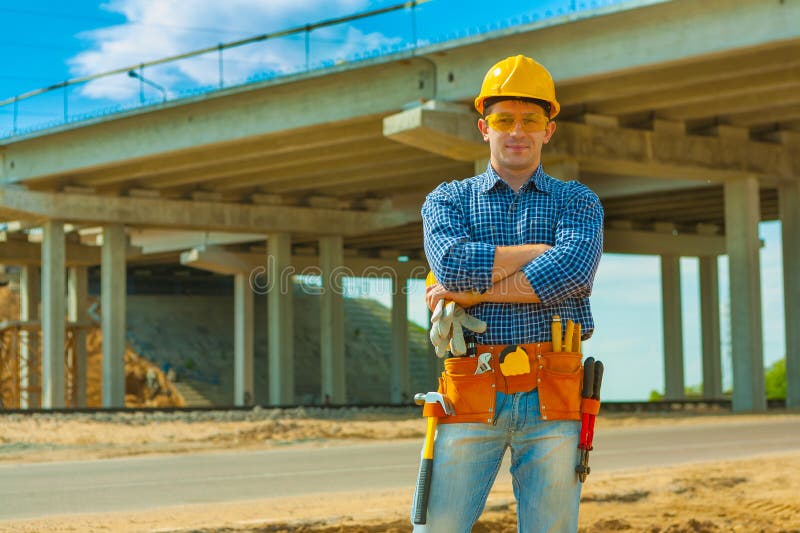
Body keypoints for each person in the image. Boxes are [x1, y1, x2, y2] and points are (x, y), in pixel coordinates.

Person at [414, 55, 604, 532]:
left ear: (549, 129)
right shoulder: (447, 199)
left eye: (530, 119)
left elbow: (574, 271)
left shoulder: (577, 200)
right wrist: (536, 252)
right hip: (469, 391)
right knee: (436, 527)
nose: (516, 131)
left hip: (554, 391)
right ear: (484, 127)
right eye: (503, 119)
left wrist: (475, 295)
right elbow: (451, 265)